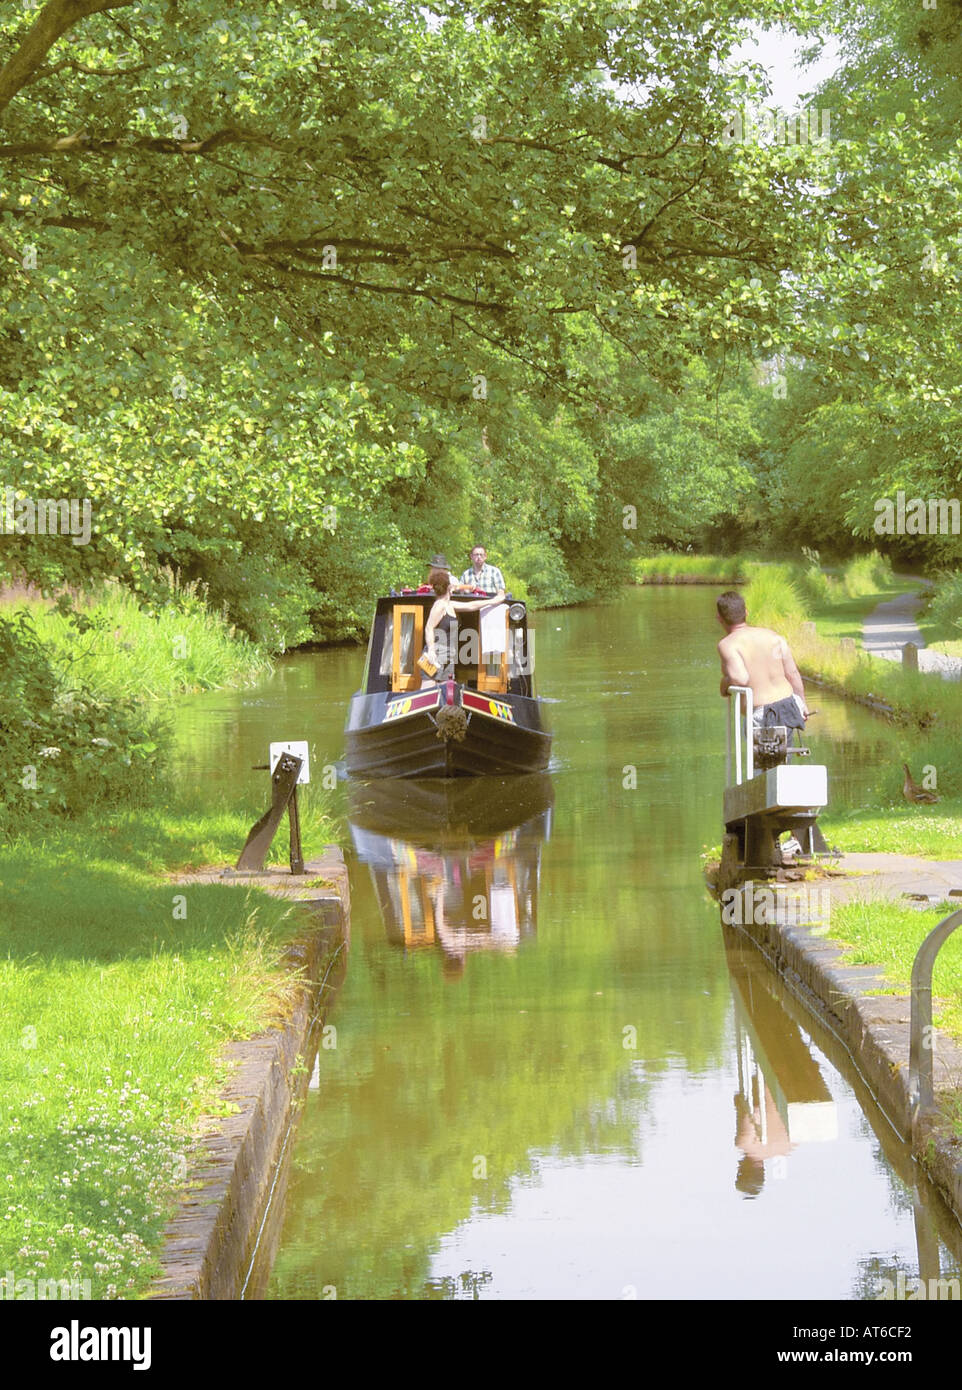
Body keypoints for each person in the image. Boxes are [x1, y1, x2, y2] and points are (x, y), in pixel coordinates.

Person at [716, 590, 809, 734]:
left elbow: (740, 678)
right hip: (789, 705)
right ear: (746, 612)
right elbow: (792, 673)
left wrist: (725, 683)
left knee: (764, 757)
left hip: (764, 713)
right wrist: (802, 704)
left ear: (719, 618)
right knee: (782, 756)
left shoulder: (728, 644)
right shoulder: (773, 636)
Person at [422, 570, 500, 683]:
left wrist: (492, 601)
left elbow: (471, 606)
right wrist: (431, 650)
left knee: (446, 689)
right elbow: (429, 628)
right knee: (428, 690)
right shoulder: (439, 605)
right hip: (436, 654)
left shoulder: (449, 605)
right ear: (449, 587)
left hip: (448, 654)